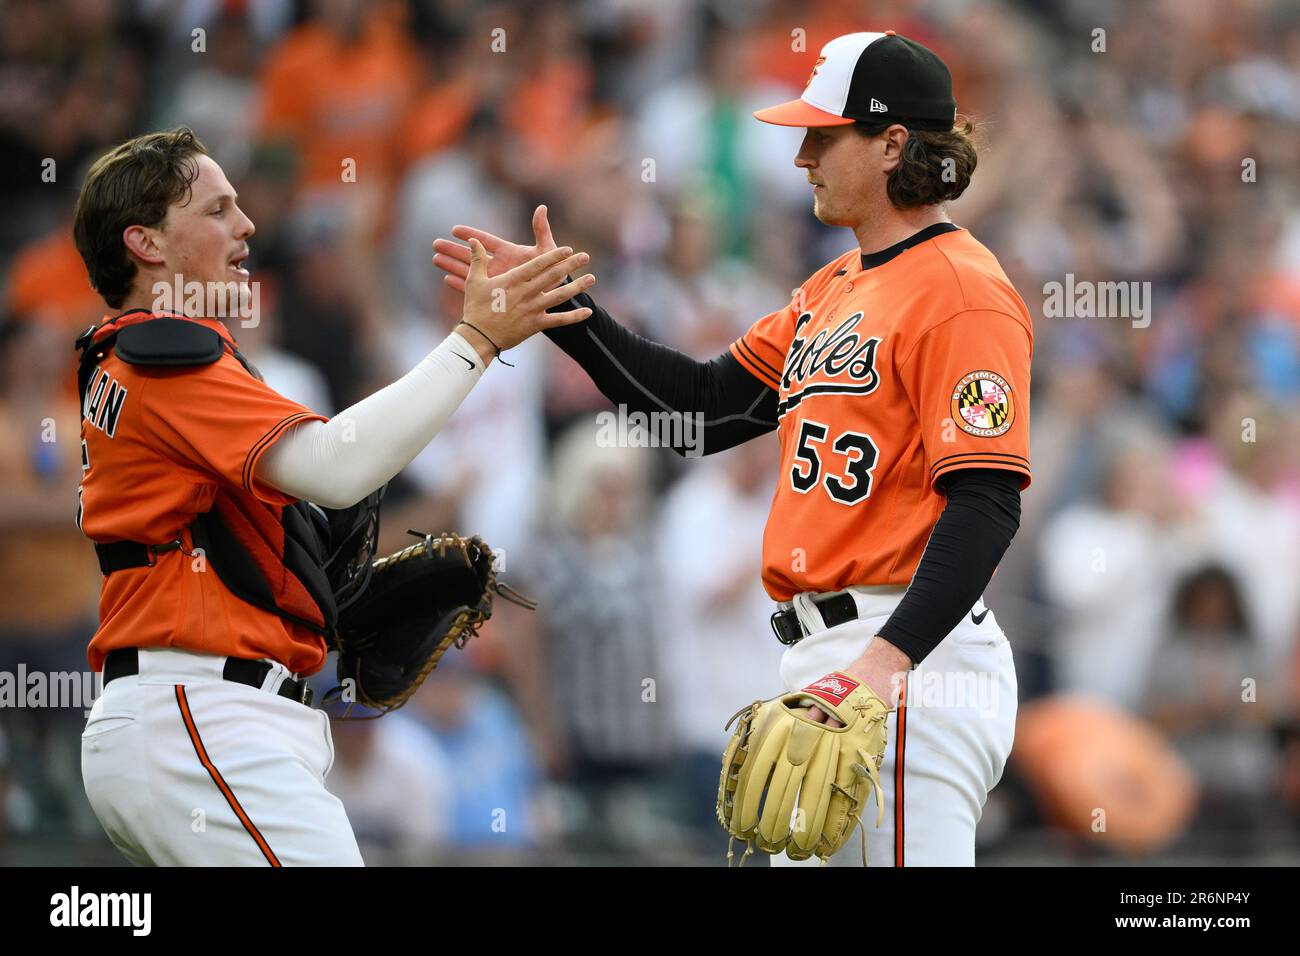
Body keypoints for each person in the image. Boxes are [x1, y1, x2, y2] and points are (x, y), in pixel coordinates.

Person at [435, 31, 1032, 866]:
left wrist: (884, 664)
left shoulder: (963, 291)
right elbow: (707, 411)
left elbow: (988, 502)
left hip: (905, 659)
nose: (802, 156)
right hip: (828, 656)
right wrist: (566, 312)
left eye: (826, 134)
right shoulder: (835, 286)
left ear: (894, 144)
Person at [74, 127, 593, 866]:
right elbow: (335, 466)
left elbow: (257, 530)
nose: (247, 225)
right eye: (218, 210)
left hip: (195, 715)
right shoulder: (163, 355)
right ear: (147, 244)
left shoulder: (145, 358)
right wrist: (475, 340)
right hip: (198, 714)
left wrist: (323, 603)